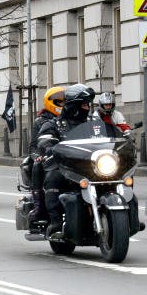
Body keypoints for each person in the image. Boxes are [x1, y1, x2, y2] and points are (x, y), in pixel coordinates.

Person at [37, 83, 97, 238]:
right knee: (53, 177)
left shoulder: (93, 124)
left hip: (91, 167)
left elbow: (109, 136)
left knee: (122, 176)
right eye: (84, 104)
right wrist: (49, 146)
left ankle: (127, 214)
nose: (87, 107)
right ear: (73, 106)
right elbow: (44, 141)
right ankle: (55, 222)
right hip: (67, 169)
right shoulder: (54, 124)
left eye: (88, 104)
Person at [27, 86, 64, 221]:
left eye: (65, 102)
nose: (63, 105)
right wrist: (38, 156)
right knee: (37, 165)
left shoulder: (68, 118)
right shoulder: (40, 121)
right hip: (47, 156)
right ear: (51, 102)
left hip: (65, 156)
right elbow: (33, 146)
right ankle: (38, 205)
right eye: (60, 103)